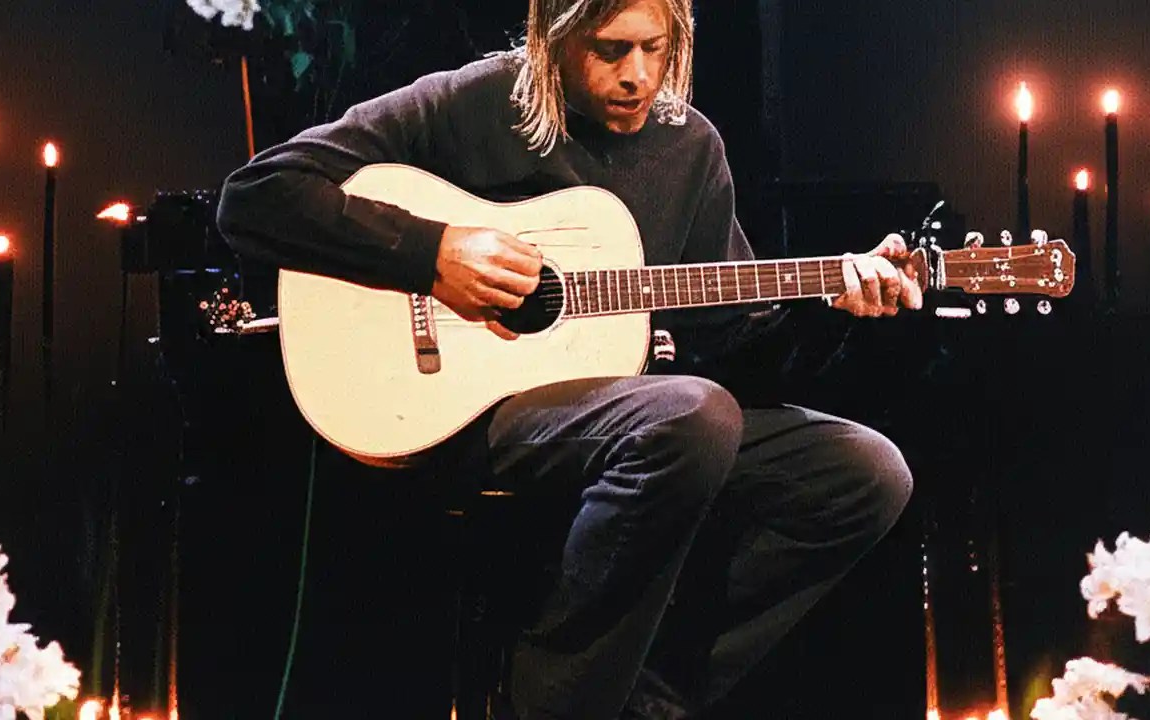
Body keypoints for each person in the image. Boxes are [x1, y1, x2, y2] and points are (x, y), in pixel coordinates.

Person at [216, 1, 921, 717]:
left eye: (655, 47)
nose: (637, 76)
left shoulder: (690, 147)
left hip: (635, 420)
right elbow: (256, 197)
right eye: (610, 51)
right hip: (469, 416)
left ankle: (647, 697)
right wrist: (432, 255)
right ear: (552, 39)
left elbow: (737, 350)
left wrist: (828, 309)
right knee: (691, 415)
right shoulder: (479, 102)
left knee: (864, 474)